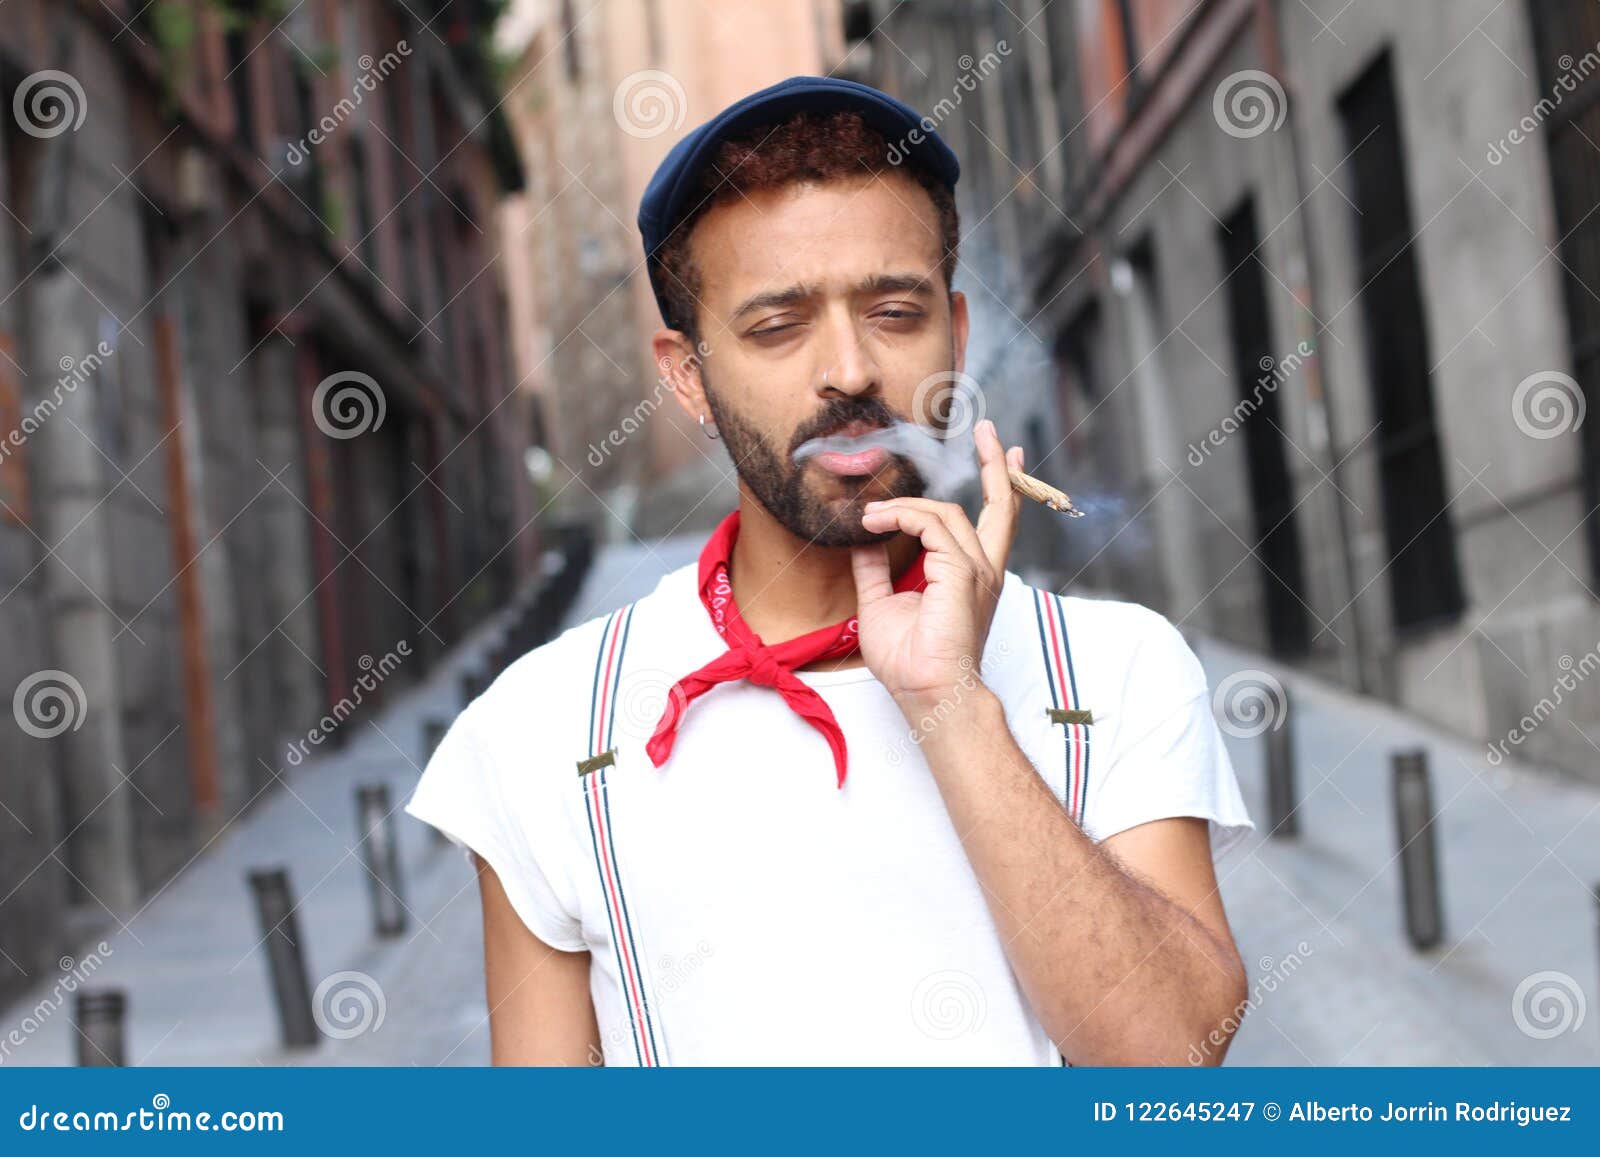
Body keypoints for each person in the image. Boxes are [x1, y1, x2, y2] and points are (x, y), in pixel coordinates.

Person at [404, 76, 1253, 1066]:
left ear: (955, 336)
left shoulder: (1116, 667)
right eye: (777, 326)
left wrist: (951, 704)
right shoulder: (545, 727)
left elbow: (1176, 1060)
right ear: (687, 375)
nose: (849, 370)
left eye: (894, 312)